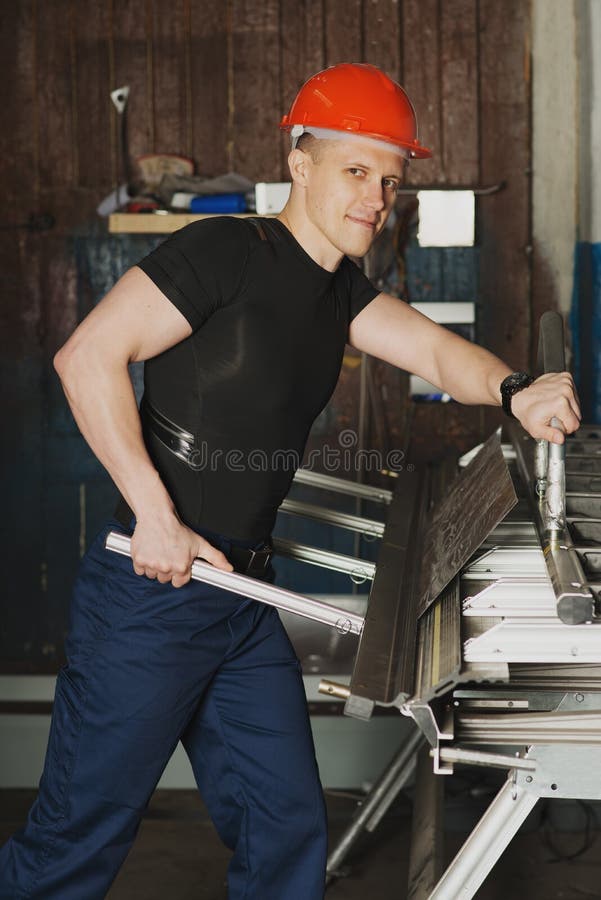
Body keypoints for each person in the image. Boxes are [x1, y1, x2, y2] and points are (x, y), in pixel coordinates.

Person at [0, 62, 580, 900]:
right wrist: (155, 516)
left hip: (242, 594)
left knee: (284, 828)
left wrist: (515, 389)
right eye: (354, 170)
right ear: (300, 164)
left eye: (388, 179)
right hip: (153, 592)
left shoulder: (337, 290)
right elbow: (85, 356)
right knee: (73, 842)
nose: (374, 197)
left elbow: (436, 353)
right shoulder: (224, 251)